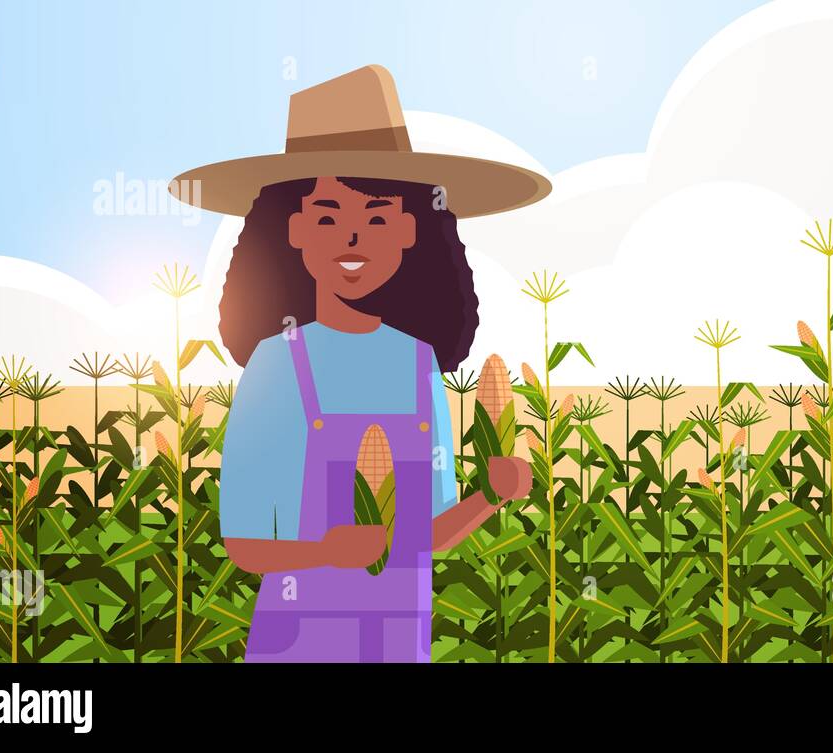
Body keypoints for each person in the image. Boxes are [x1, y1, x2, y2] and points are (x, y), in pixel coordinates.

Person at [168, 65, 550, 662]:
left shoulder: (420, 362)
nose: (353, 238)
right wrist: (326, 551)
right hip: (296, 647)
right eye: (328, 217)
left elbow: (423, 536)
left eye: (375, 217)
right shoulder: (275, 366)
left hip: (400, 645)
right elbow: (244, 542)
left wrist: (489, 498)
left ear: (407, 230)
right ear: (294, 230)